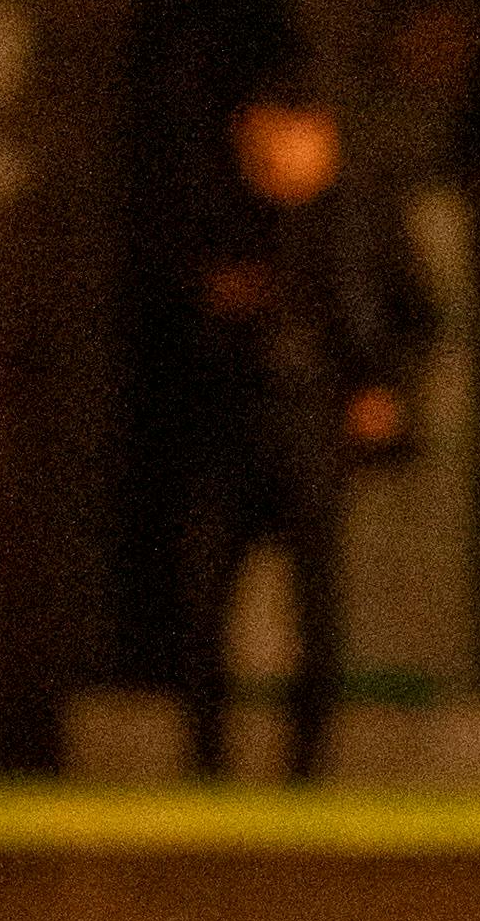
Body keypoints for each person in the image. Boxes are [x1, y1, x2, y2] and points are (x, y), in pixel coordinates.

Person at [176, 86, 428, 777]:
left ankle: (306, 766)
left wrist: (381, 388)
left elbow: (414, 312)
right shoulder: (219, 212)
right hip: (228, 430)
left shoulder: (357, 219)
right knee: (202, 600)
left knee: (317, 601)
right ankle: (207, 762)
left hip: (312, 428)